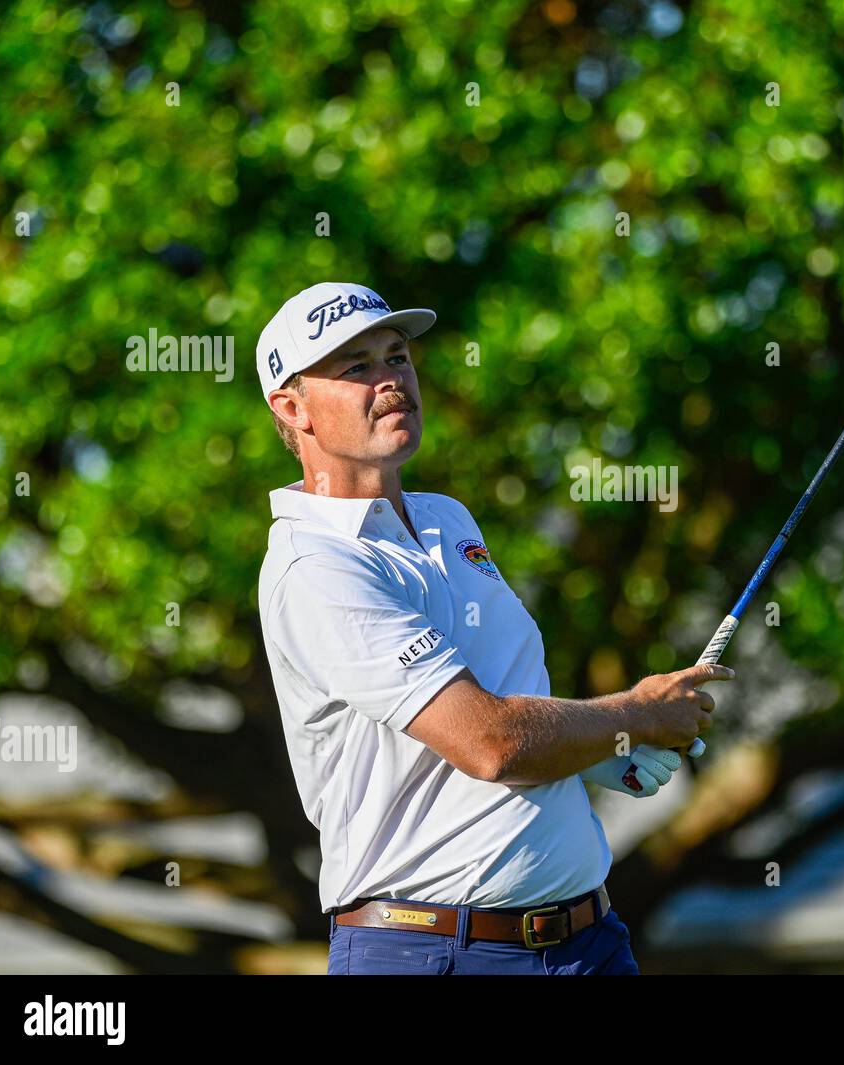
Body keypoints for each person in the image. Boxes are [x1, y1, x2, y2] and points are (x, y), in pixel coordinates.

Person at [254, 282, 732, 974]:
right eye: (357, 367)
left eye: (398, 357)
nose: (391, 379)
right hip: (428, 951)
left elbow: (502, 694)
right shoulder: (313, 565)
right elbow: (491, 741)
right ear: (292, 408)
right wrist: (638, 712)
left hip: (589, 943)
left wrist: (599, 745)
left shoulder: (449, 518)